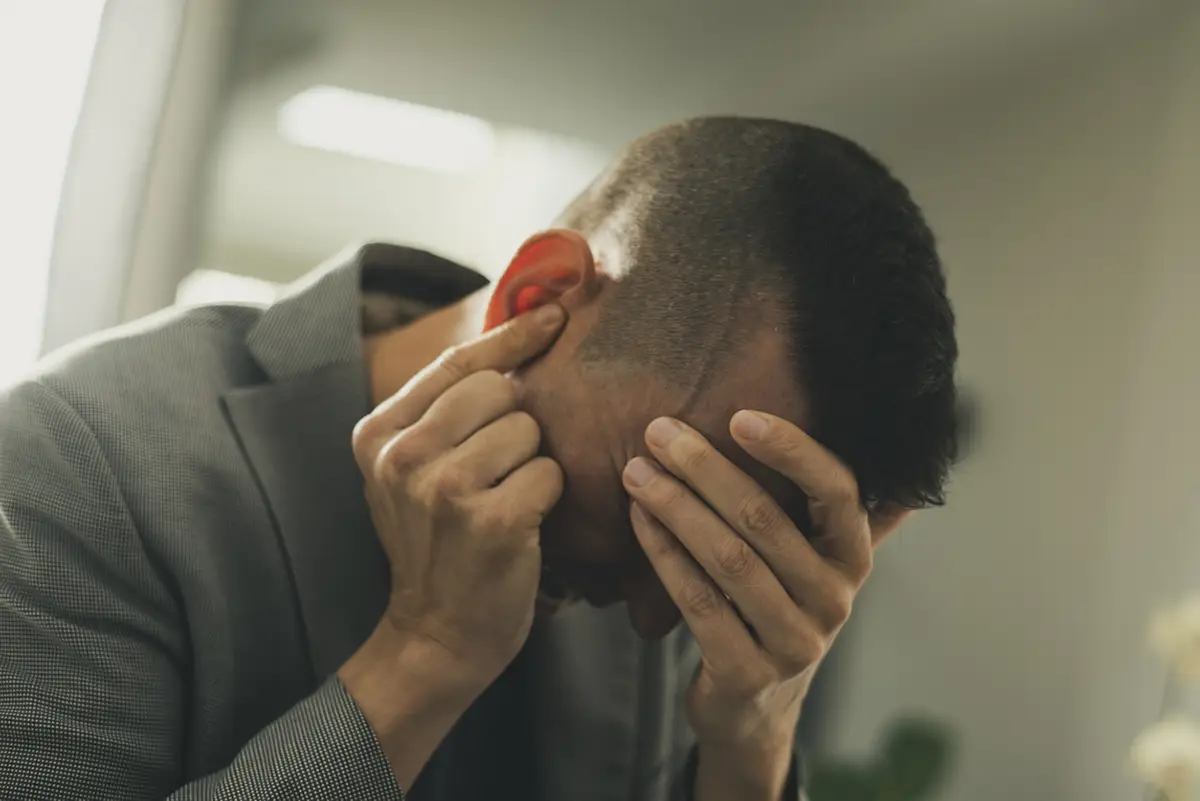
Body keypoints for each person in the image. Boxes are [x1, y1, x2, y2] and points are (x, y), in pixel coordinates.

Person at [0, 117, 958, 800]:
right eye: (659, 500)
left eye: (716, 543)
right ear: (535, 296)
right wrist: (424, 656)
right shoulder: (80, 461)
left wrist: (750, 748)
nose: (661, 612)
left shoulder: (708, 601)